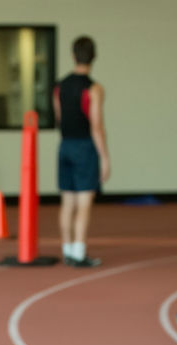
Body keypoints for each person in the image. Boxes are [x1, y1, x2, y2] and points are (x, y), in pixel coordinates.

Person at [53, 36, 110, 268]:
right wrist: (105, 158)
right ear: (93, 56)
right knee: (84, 204)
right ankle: (79, 252)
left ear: (73, 55)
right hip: (85, 146)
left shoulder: (59, 86)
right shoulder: (94, 89)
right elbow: (96, 126)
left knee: (67, 202)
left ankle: (68, 250)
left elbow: (59, 118)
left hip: (65, 145)